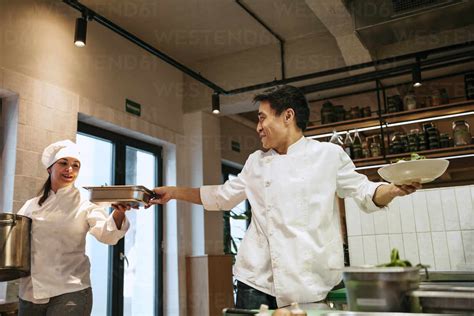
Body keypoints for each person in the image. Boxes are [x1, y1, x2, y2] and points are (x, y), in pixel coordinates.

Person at [149, 85, 421, 309]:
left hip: (311, 282)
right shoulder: (256, 161)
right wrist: (173, 192)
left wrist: (393, 189)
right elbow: (221, 197)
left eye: (262, 117)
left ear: (287, 116)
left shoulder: (328, 155)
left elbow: (366, 191)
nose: (258, 127)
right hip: (255, 282)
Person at [17, 140, 132, 316]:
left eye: (75, 165)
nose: (69, 169)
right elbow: (16, 241)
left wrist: (118, 213)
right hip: (30, 291)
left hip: (70, 290)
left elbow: (107, 236)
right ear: (50, 168)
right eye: (63, 163)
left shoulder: (85, 204)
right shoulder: (30, 206)